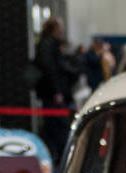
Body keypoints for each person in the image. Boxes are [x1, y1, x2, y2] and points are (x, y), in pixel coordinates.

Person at [35, 17, 76, 159]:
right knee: (58, 128)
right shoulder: (48, 46)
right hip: (52, 94)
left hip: (52, 93)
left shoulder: (47, 44)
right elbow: (51, 70)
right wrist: (57, 91)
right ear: (55, 29)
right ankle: (61, 157)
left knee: (54, 127)